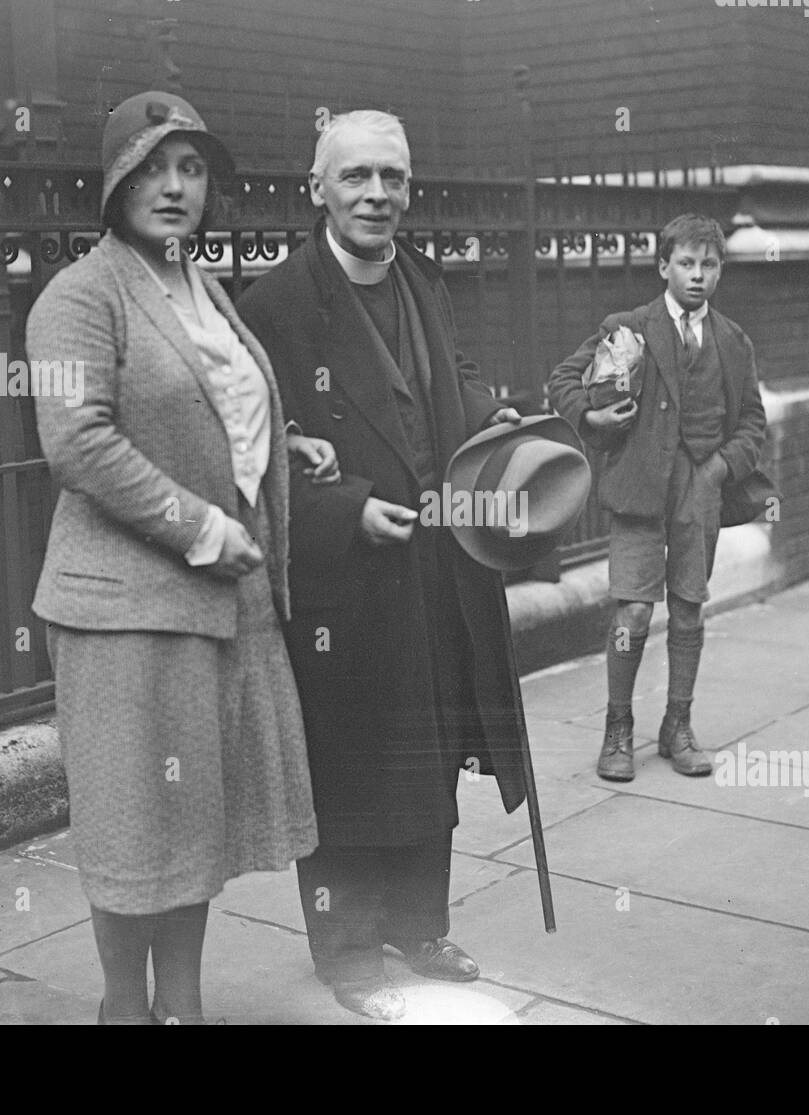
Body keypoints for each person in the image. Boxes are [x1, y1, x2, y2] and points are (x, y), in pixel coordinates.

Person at [27, 91, 338, 1024]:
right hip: (122, 612)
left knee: (192, 820)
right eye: (154, 166)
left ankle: (187, 1006)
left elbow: (197, 409)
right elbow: (76, 442)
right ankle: (126, 1008)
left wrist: (280, 443)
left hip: (214, 608)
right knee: (134, 825)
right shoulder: (78, 296)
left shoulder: (200, 286)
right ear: (115, 181)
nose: (174, 187)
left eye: (193, 167)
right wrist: (204, 526)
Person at [235, 109, 530, 1022]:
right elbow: (255, 452)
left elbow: (454, 377)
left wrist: (492, 418)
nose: (377, 195)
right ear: (315, 189)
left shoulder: (422, 280)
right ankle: (348, 946)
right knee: (351, 763)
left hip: (440, 564)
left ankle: (419, 924)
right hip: (344, 587)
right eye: (356, 176)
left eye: (392, 178)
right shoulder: (275, 304)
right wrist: (343, 508)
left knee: (433, 747)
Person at [548, 213, 767, 782]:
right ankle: (617, 728)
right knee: (634, 609)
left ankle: (678, 725)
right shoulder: (629, 327)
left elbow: (751, 422)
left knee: (691, 606)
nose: (697, 276)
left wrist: (719, 468)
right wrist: (592, 414)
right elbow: (561, 382)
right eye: (687, 264)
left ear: (720, 271)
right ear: (663, 266)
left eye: (709, 265)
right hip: (640, 488)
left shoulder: (732, 342)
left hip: (700, 492)